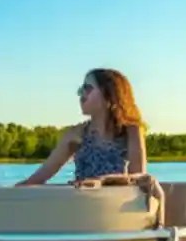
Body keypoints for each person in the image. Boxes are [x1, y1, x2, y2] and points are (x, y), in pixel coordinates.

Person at [16, 68, 148, 186]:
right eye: (81, 89)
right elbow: (36, 179)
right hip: (82, 202)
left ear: (109, 94)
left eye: (87, 88)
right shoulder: (74, 134)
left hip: (118, 202)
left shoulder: (131, 131)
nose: (80, 94)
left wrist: (101, 182)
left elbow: (139, 178)